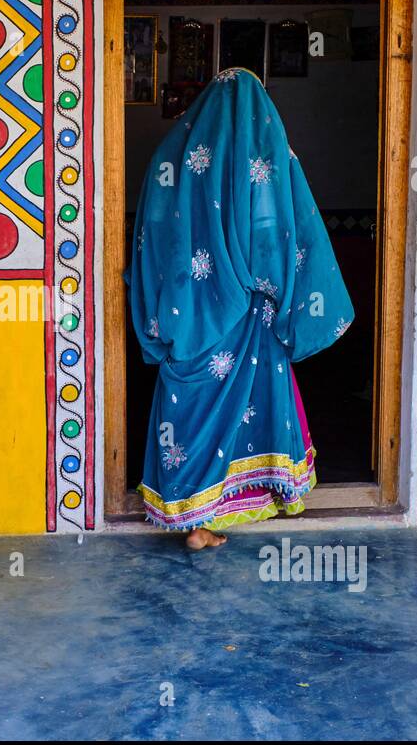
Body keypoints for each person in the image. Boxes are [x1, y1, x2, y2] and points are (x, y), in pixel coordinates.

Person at [125, 67, 354, 549]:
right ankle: (229, 509)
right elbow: (278, 238)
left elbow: (155, 238)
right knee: (249, 409)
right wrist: (276, 292)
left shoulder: (172, 155)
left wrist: (173, 303)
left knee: (189, 410)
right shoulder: (267, 158)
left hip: (188, 312)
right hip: (250, 315)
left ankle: (194, 519)